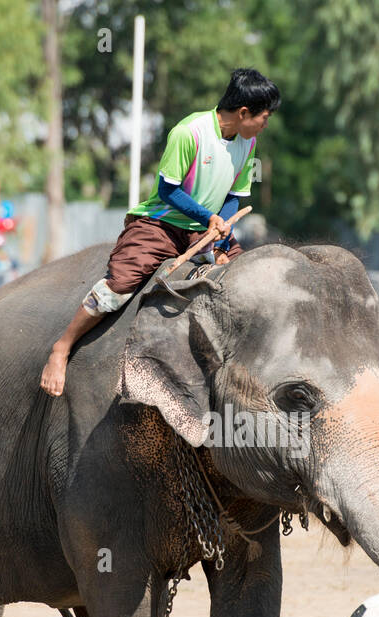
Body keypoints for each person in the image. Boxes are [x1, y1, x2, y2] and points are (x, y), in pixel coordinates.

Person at [39, 67, 279, 397]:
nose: (266, 125)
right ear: (243, 112)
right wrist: (208, 217)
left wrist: (222, 231)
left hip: (204, 230)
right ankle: (62, 348)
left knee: (246, 280)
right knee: (119, 287)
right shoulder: (189, 133)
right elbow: (168, 190)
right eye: (264, 118)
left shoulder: (247, 144)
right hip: (158, 225)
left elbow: (235, 195)